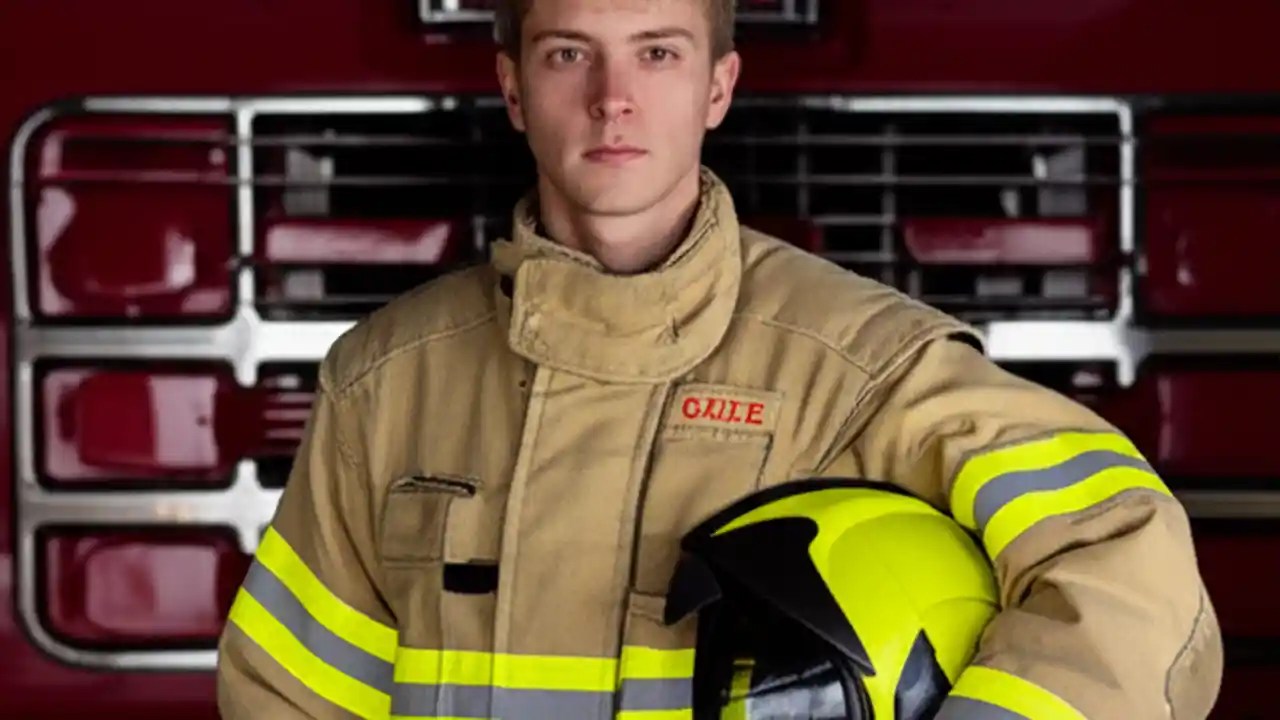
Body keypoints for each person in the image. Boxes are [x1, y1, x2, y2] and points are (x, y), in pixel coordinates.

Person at [215, 0, 1224, 718]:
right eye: (569, 53)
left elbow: (1126, 564)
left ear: (717, 86)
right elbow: (291, 696)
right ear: (513, 87)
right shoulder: (385, 385)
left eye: (656, 52)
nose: (612, 99)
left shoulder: (864, 368)